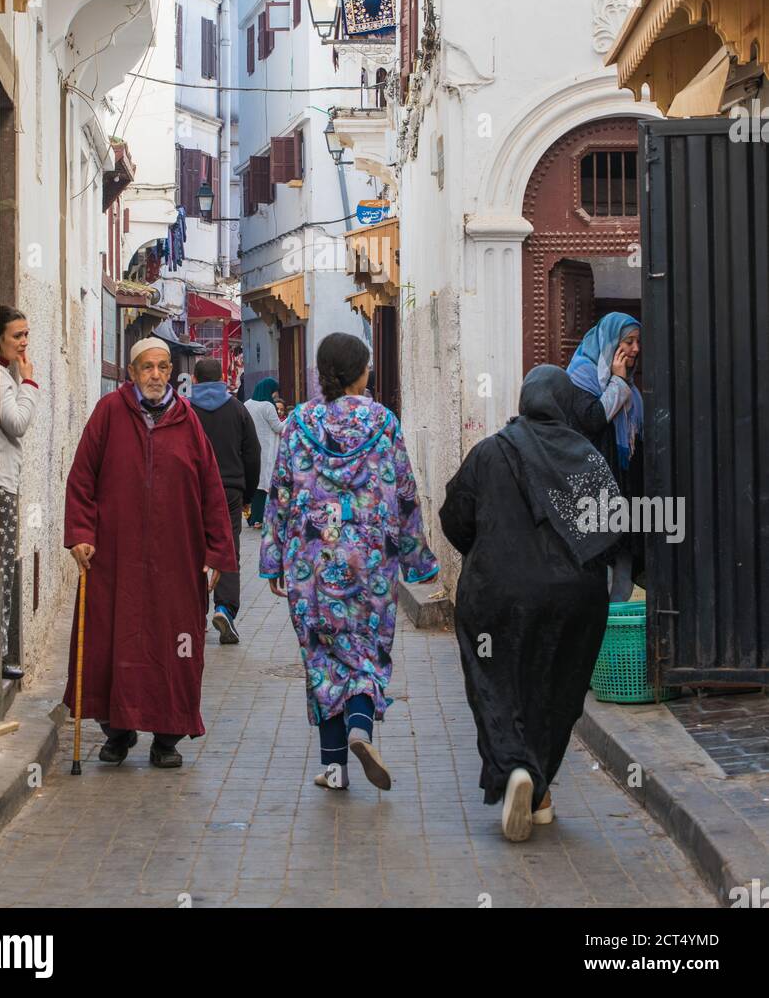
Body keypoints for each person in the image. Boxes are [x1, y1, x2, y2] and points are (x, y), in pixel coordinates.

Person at [439, 365, 623, 842]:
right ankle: (539, 793)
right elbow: (612, 529)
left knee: (495, 683)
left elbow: (455, 517)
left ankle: (517, 769)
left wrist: (486, 554)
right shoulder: (587, 457)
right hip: (576, 602)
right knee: (556, 690)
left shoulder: (489, 452)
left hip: (497, 597)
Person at [260, 333, 438, 792]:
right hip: (371, 561)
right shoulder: (384, 421)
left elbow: (281, 492)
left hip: (311, 561)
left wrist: (274, 558)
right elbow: (403, 492)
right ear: (361, 371)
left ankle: (335, 768)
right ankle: (361, 726)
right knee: (366, 652)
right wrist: (418, 561)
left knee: (322, 658)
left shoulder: (298, 422)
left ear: (322, 372)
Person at [62, 336, 237, 768]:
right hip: (114, 559)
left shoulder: (187, 420)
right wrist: (81, 533)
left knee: (175, 646)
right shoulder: (108, 414)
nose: (156, 375)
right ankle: (118, 733)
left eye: (162, 367)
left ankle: (167, 737)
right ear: (132, 373)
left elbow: (212, 491)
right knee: (112, 642)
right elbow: (82, 478)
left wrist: (216, 553)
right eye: (147, 368)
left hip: (176, 559)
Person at [566, 312, 644, 600]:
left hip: (624, 493)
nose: (635, 349)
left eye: (638, 342)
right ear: (610, 342)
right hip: (592, 495)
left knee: (624, 561)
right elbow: (593, 419)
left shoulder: (631, 391)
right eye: (628, 341)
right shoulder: (580, 378)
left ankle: (615, 636)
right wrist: (618, 384)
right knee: (599, 567)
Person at [188, 356, 261, 645]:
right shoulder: (238, 410)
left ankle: (195, 615)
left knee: (191, 549)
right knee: (227, 548)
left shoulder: (185, 411)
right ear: (222, 380)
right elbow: (252, 455)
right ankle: (224, 609)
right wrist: (248, 495)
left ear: (194, 380)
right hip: (229, 491)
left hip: (193, 490)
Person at [0, 307, 39, 680]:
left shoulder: (4, 374)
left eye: (26, 335)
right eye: (16, 336)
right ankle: (1, 658)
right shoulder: (1, 377)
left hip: (6, 481)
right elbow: (16, 423)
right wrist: (29, 383)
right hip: (1, 485)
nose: (24, 342)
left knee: (9, 566)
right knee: (5, 566)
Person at [244, 378, 284, 528]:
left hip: (250, 448)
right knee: (264, 484)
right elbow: (278, 428)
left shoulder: (247, 404)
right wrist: (292, 418)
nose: (275, 395)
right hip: (266, 450)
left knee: (254, 482)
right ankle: (258, 518)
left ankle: (251, 516)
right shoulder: (268, 406)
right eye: (274, 392)